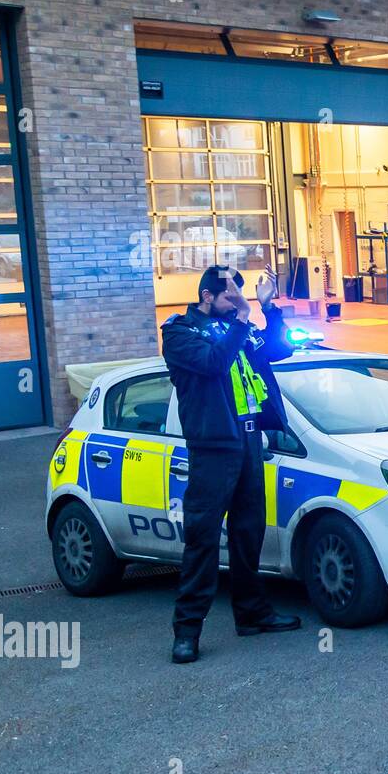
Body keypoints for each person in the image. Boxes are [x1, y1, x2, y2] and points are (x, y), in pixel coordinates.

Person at [161, 267, 302, 664]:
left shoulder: (235, 326)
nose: (237, 305)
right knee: (203, 538)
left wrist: (267, 308)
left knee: (248, 530)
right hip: (212, 445)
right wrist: (242, 317)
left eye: (240, 299)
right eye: (230, 298)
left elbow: (278, 349)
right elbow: (213, 364)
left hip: (249, 440)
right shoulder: (179, 332)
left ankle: (252, 613)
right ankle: (187, 631)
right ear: (207, 296)